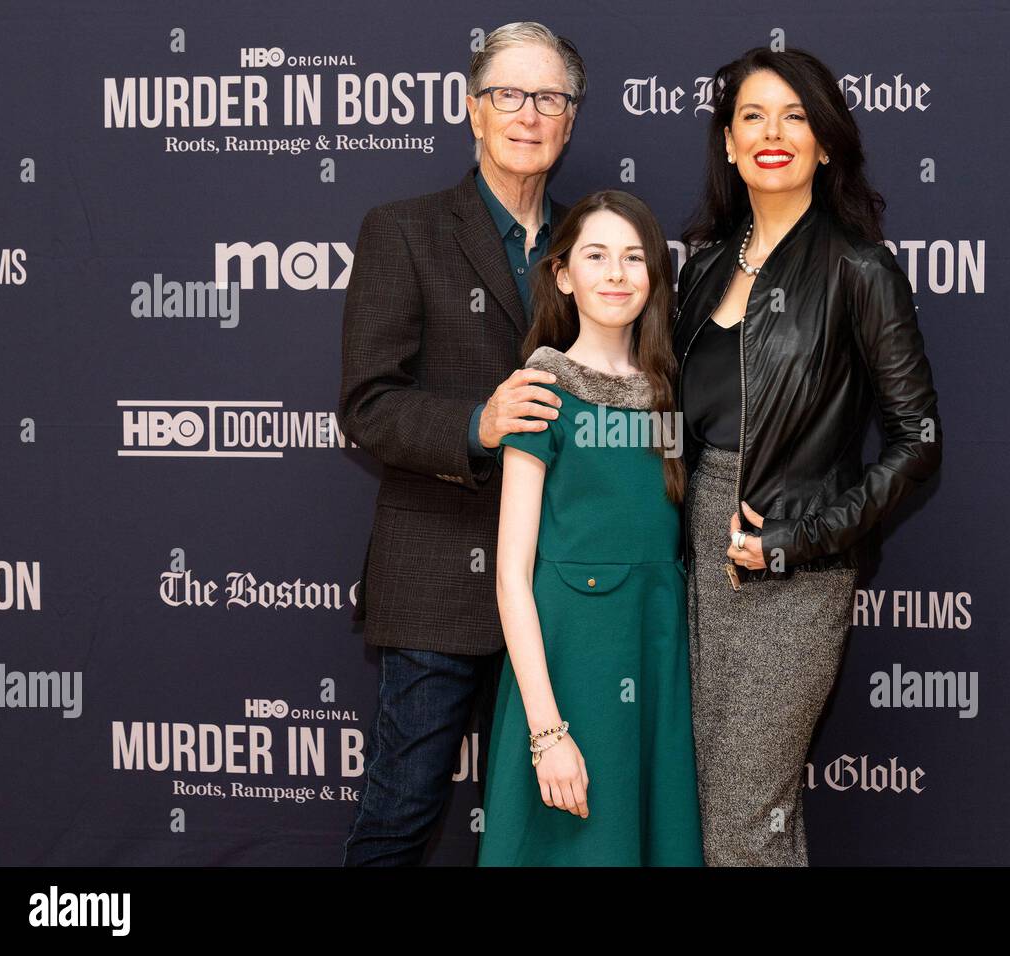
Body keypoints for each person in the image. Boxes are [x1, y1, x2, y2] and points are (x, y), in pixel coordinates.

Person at [674, 47, 943, 865]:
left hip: (793, 568)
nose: (773, 133)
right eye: (752, 115)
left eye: (796, 116)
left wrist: (803, 534)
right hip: (693, 557)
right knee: (734, 813)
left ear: (825, 144)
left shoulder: (860, 268)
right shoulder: (705, 266)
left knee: (742, 817)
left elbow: (918, 441)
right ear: (727, 143)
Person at [337, 22, 587, 866]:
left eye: (548, 98)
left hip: (564, 588)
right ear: (471, 111)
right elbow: (368, 405)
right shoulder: (401, 231)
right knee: (401, 820)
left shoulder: (595, 244)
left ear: (571, 119)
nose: (528, 114)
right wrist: (475, 424)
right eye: (508, 95)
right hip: (437, 580)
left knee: (549, 831)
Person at [478, 190, 703, 866]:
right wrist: (548, 734)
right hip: (567, 674)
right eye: (596, 256)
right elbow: (513, 576)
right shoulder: (540, 390)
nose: (616, 273)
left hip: (655, 670)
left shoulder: (671, 397)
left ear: (654, 277)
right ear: (563, 275)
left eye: (635, 257)